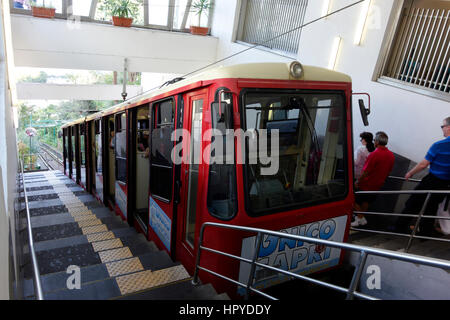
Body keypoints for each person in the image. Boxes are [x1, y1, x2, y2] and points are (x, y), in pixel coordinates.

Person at [396, 117, 450, 235]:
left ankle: (399, 228)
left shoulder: (439, 145)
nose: (442, 129)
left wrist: (410, 173)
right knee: (432, 208)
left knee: (413, 203)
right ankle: (425, 233)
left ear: (449, 127)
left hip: (432, 180)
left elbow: (423, 164)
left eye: (443, 126)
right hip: (445, 184)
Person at [352, 131, 395, 227]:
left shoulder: (374, 154)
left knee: (352, 199)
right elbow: (389, 170)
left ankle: (360, 218)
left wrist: (358, 181)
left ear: (377, 142)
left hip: (367, 183)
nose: (374, 141)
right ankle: (360, 219)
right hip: (378, 184)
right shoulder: (391, 155)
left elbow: (366, 171)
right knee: (367, 201)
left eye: (375, 140)